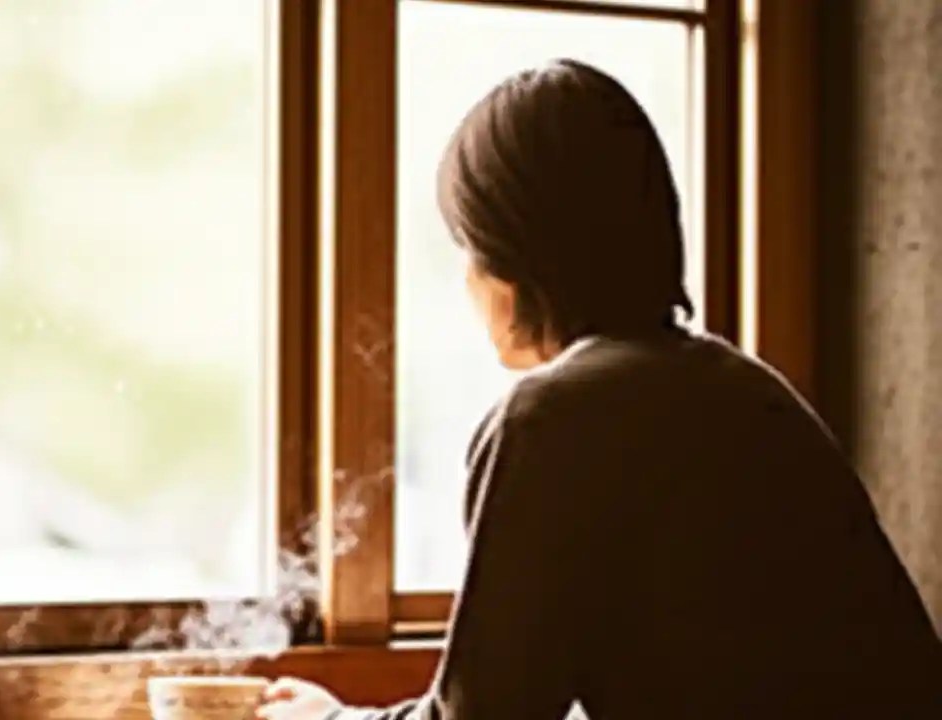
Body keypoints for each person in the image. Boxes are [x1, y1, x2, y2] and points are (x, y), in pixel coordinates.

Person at [255, 59, 942, 720]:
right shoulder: (743, 386)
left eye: (468, 246)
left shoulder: (555, 413)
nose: (466, 279)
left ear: (513, 256)